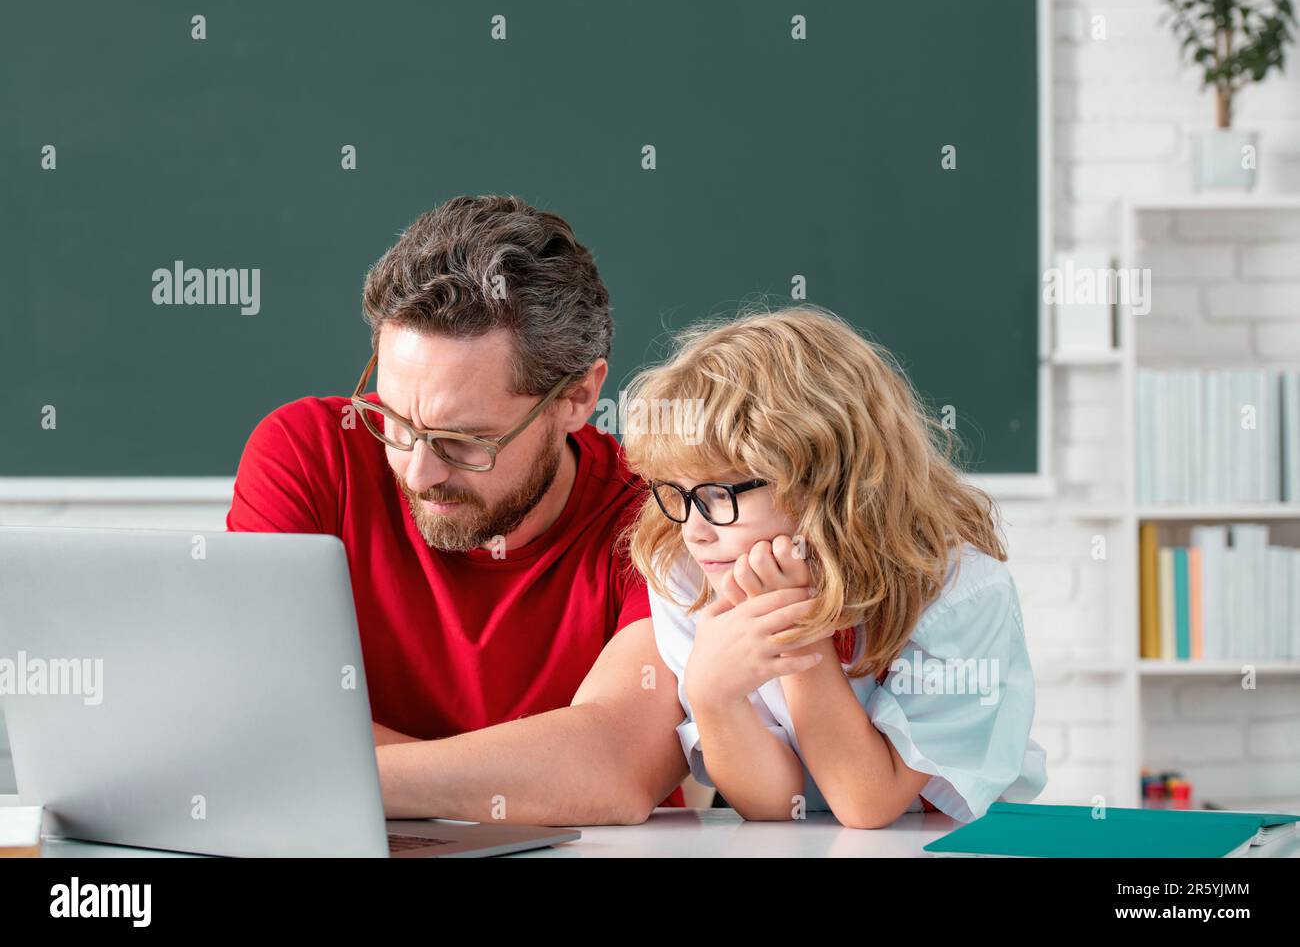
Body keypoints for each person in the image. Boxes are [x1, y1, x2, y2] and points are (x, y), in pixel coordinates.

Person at [227, 195, 689, 824]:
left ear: (578, 397)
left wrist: (304, 772)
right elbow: (256, 717)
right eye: (390, 419)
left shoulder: (664, 512)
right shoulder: (307, 453)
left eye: (464, 441)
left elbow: (614, 767)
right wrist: (524, 780)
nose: (418, 472)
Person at [618, 305, 1048, 827]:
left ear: (826, 484)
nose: (694, 528)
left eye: (717, 493)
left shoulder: (962, 592)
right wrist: (712, 696)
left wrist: (799, 635)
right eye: (679, 493)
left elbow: (869, 802)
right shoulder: (691, 571)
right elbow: (774, 806)